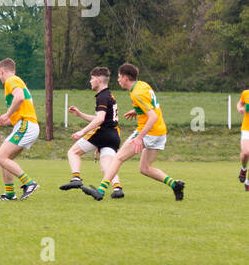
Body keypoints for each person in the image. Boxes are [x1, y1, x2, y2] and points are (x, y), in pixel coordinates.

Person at [85, 63, 183, 201]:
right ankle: (175, 185)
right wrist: (137, 111)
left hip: (149, 132)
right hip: (160, 132)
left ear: (125, 78)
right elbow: (152, 106)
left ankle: (100, 191)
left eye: (119, 77)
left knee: (118, 158)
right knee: (145, 168)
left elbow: (152, 117)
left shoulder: (137, 93)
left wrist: (139, 138)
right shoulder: (142, 85)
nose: (118, 80)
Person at [61, 66, 124, 198]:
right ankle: (117, 188)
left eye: (92, 78)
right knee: (106, 164)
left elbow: (100, 120)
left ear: (99, 80)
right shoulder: (109, 95)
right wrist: (80, 114)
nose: (90, 81)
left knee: (73, 152)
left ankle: (76, 179)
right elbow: (101, 118)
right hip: (114, 135)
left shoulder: (101, 96)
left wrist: (82, 132)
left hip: (103, 132)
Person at [0, 58, 39, 200]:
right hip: (25, 125)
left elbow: (19, 98)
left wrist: (7, 114)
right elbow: (19, 108)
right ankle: (9, 194)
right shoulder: (17, 81)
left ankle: (29, 183)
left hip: (26, 125)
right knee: (4, 159)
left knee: (0, 157)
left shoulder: (11, 80)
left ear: (1, 71)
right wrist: (1, 122)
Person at [237, 88, 249, 190]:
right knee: (245, 152)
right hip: (247, 128)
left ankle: (248, 183)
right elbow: (240, 104)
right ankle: (243, 169)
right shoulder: (246, 93)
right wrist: (240, 108)